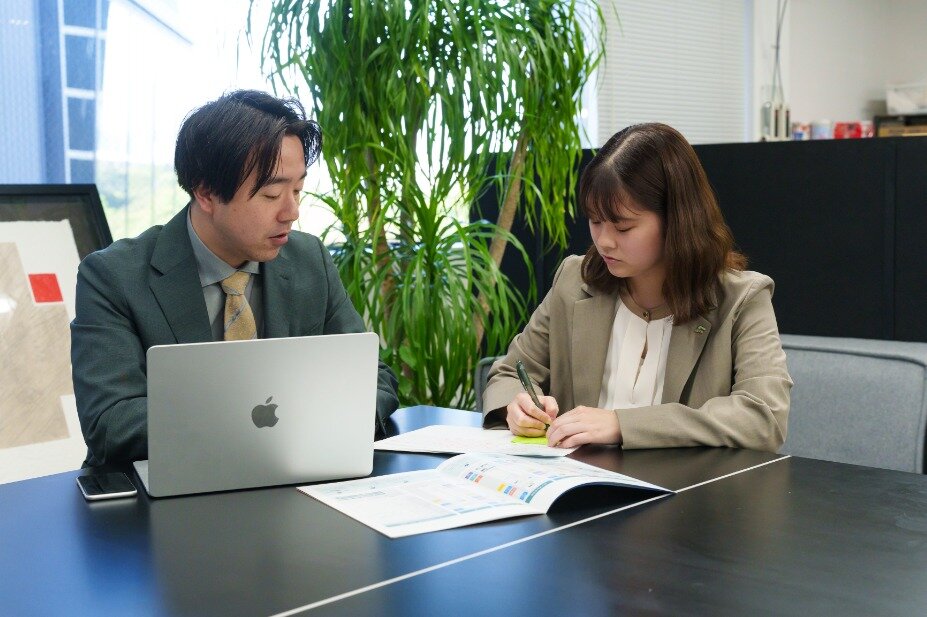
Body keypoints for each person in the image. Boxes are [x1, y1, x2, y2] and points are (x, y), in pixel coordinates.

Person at [71, 90, 399, 466]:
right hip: (174, 485)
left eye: (298, 190)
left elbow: (373, 377)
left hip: (294, 474)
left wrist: (303, 425)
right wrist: (265, 423)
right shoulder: (113, 277)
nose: (292, 212)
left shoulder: (309, 260)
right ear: (206, 193)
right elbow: (111, 423)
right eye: (272, 194)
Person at [482, 123, 791, 452]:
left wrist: (622, 424)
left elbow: (764, 416)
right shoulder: (574, 280)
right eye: (595, 221)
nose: (604, 241)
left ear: (677, 220)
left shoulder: (741, 299)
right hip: (575, 477)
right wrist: (517, 407)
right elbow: (508, 373)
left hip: (685, 484)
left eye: (623, 227)